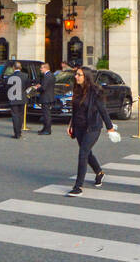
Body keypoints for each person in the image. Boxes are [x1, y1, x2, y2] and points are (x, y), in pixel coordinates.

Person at [66, 67, 116, 197]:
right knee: (87, 153)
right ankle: (99, 173)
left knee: (83, 153)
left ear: (86, 77)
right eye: (76, 74)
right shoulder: (77, 89)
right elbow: (75, 110)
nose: (76, 77)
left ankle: (78, 187)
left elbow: (102, 110)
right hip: (79, 126)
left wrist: (110, 127)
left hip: (92, 127)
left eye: (79, 75)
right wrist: (70, 125)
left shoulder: (95, 91)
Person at [5, 63, 32, 139]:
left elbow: (7, 87)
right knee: (21, 116)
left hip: (13, 98)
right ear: (21, 67)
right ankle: (19, 132)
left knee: (15, 115)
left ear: (13, 68)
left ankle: (16, 133)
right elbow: (28, 86)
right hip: (22, 97)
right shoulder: (25, 76)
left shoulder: (10, 77)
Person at [36, 62, 55, 135]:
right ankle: (44, 128)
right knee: (45, 114)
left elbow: (43, 88)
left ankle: (47, 130)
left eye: (41, 68)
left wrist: (37, 88)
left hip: (46, 97)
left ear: (45, 68)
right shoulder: (50, 75)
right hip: (48, 97)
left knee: (46, 115)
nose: (40, 69)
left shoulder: (47, 76)